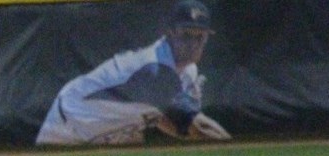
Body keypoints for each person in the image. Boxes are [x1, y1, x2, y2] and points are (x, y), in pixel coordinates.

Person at [36, 0, 231, 146]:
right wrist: (227, 148)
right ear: (170, 32)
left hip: (116, 130)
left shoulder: (188, 69)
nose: (193, 43)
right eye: (186, 34)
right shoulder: (155, 68)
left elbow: (168, 118)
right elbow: (187, 127)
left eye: (200, 37)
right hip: (71, 124)